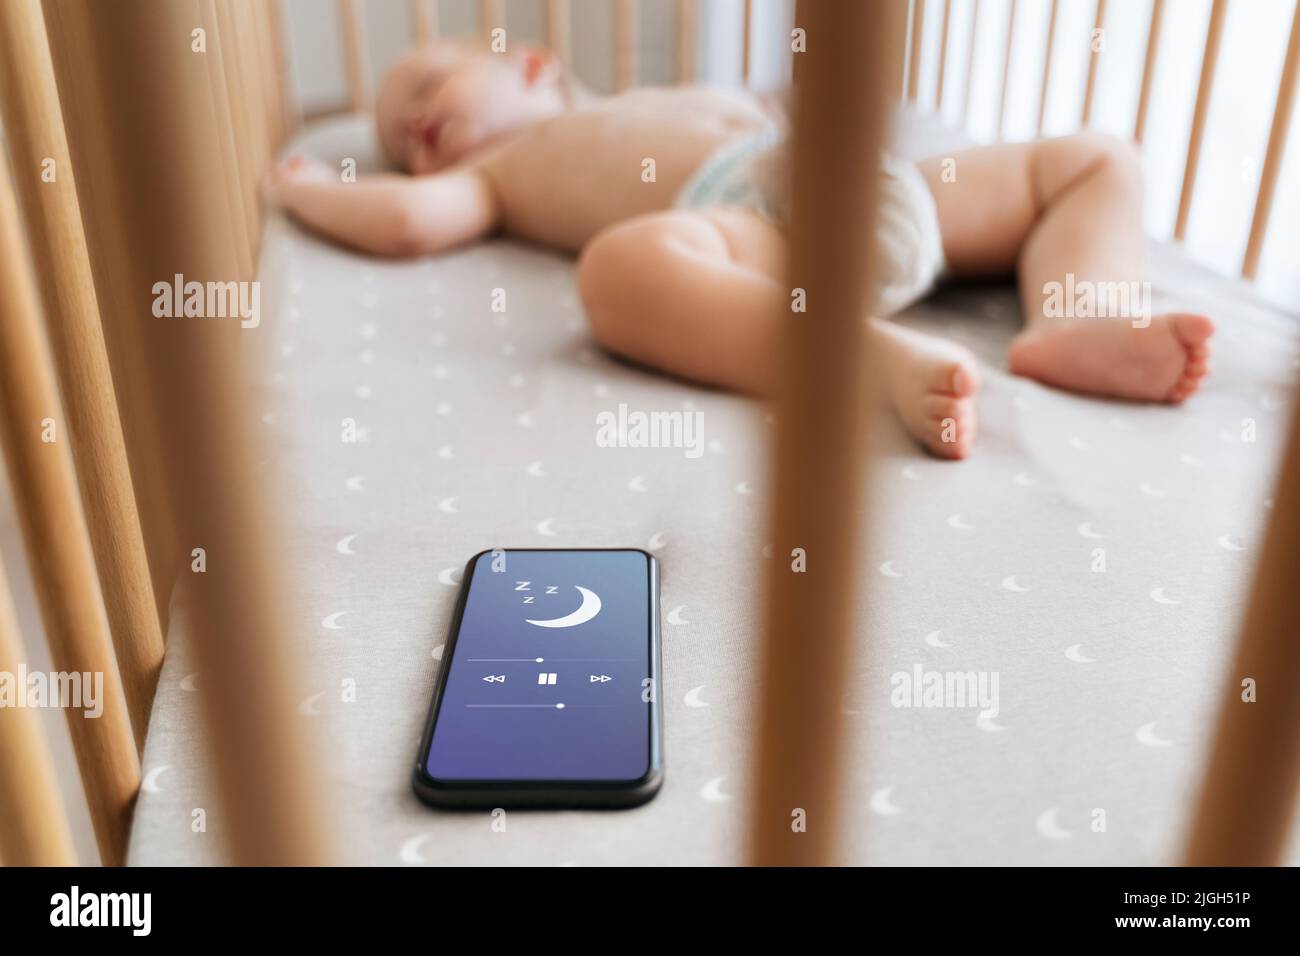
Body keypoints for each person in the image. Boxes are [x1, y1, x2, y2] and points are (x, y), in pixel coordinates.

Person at [264, 40, 1213, 460]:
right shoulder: (497, 172)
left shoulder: (652, 98)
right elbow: (407, 222)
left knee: (1093, 159)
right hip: (741, 230)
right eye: (396, 135)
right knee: (621, 269)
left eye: (431, 82)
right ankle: (864, 362)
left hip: (846, 183)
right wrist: (307, 189)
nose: (413, 117)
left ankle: (1080, 315)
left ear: (534, 64)